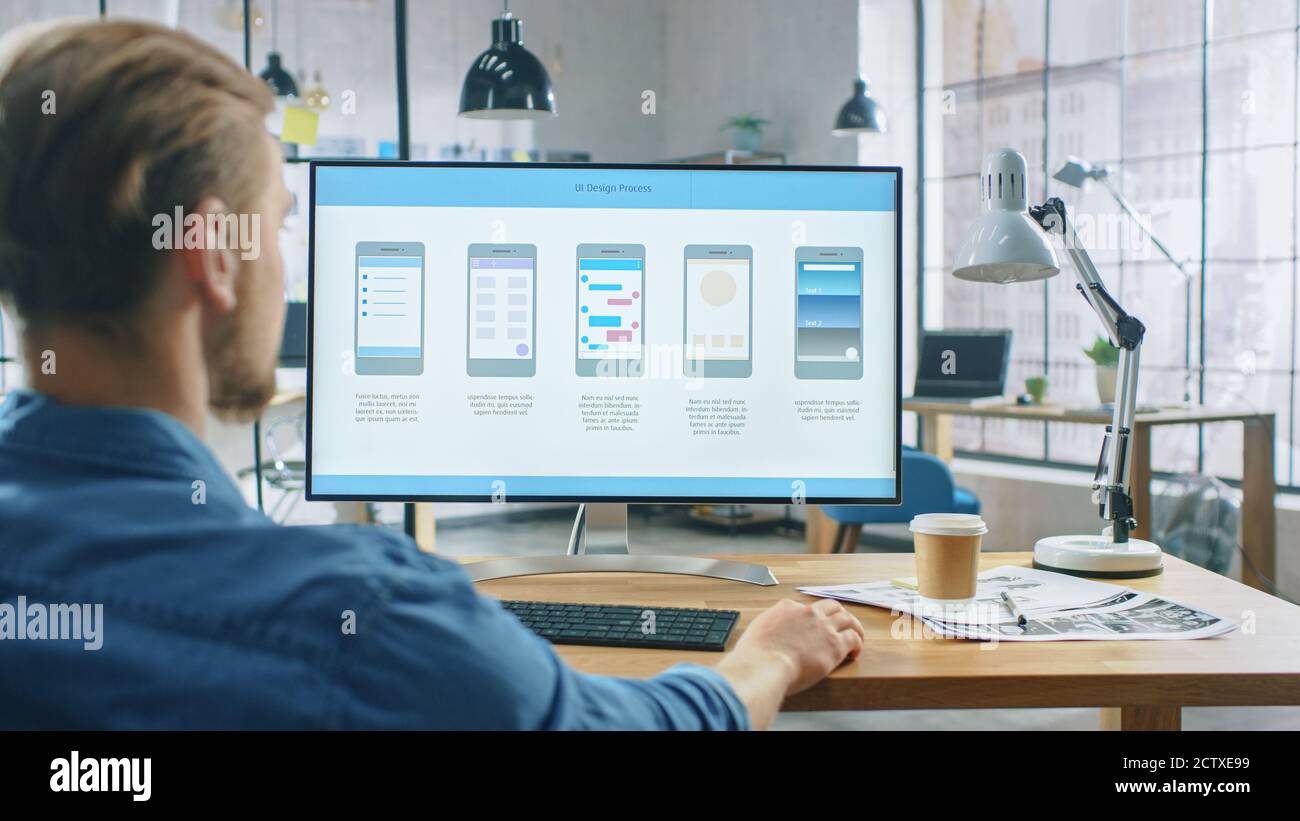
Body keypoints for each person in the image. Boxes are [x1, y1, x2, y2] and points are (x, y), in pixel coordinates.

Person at [0, 19, 865, 730]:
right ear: (212, 254)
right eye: (280, 223)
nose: (289, 264)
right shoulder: (364, 616)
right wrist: (771, 658)